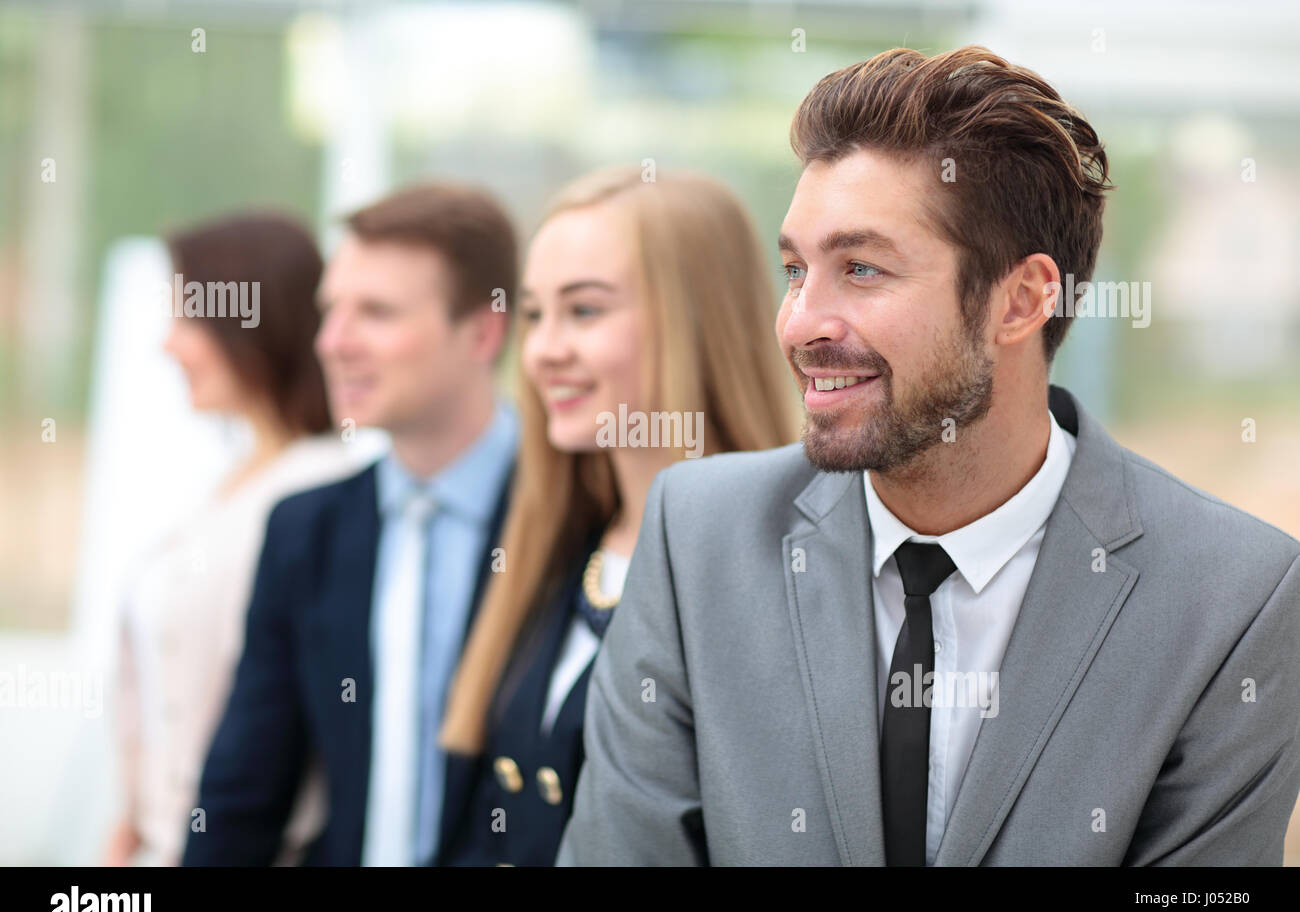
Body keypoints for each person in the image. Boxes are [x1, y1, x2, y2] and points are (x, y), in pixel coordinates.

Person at [558, 46, 1300, 866]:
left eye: (861, 268)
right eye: (795, 270)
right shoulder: (696, 538)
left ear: (1020, 301)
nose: (800, 323)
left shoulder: (1237, 599)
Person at [436, 166, 799, 866]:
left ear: (696, 321)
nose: (543, 351)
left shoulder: (779, 579)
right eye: (535, 314)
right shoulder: (542, 547)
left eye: (586, 310)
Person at [182, 183, 519, 866]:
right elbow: (242, 793)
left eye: (376, 313)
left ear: (483, 331)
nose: (333, 343)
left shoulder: (572, 520)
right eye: (330, 310)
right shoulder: (304, 532)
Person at [106, 212, 357, 866]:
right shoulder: (229, 484)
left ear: (253, 321)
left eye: (189, 320)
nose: (169, 346)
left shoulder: (325, 496)